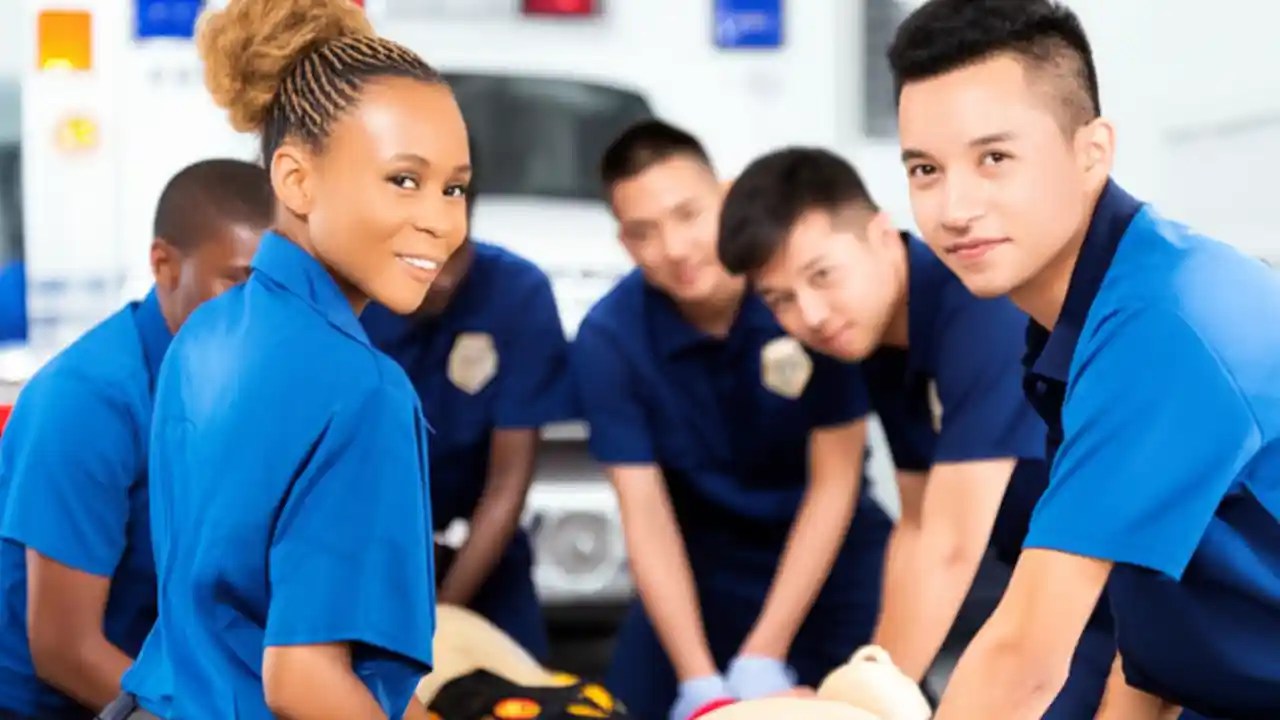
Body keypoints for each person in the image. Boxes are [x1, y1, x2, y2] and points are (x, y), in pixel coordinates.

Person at [889, 1, 1280, 718]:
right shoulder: (1092, 308)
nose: (953, 206)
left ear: (1092, 149)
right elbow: (1159, 629)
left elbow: (1025, 659)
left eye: (994, 158)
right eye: (925, 169)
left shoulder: (1166, 322)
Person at [104, 0, 471, 718]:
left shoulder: (204, 334)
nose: (441, 219)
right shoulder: (366, 390)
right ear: (297, 180)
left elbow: (217, 609)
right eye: (404, 179)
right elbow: (304, 680)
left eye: (454, 187)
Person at [716, 146, 1115, 717]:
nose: (812, 315)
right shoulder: (865, 339)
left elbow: (950, 548)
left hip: (1152, 581)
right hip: (1054, 584)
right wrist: (872, 672)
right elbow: (917, 523)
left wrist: (862, 705)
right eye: (780, 300)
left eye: (822, 276)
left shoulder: (978, 308)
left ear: (880, 234)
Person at [572, 120, 892, 720]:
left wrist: (762, 654)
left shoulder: (802, 302)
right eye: (643, 232)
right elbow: (646, 515)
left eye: (688, 214)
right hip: (699, 567)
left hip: (831, 557)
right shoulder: (608, 340)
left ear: (727, 196)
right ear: (623, 243)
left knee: (864, 705)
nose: (674, 247)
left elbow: (836, 482)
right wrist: (702, 683)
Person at [0, 159, 271, 719]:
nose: (262, 312)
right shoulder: (87, 401)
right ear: (164, 265)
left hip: (171, 678)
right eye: (238, 282)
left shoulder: (244, 380)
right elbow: (64, 650)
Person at [361, 181, 575, 660]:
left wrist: (445, 617)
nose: (441, 278)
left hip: (481, 557)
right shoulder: (340, 298)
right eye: (416, 256)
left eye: (453, 252)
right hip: (358, 559)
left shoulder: (517, 294)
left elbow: (507, 484)